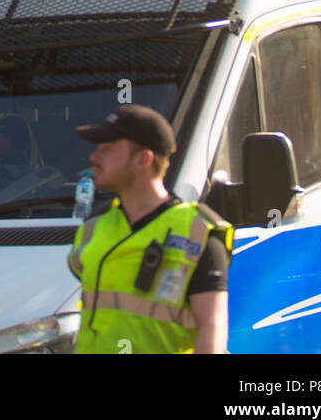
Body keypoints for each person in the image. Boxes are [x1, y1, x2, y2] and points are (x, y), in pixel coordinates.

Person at [68, 105, 232, 355]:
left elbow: (213, 328)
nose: (94, 157)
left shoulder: (197, 232)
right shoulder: (93, 227)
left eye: (107, 150)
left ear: (143, 159)